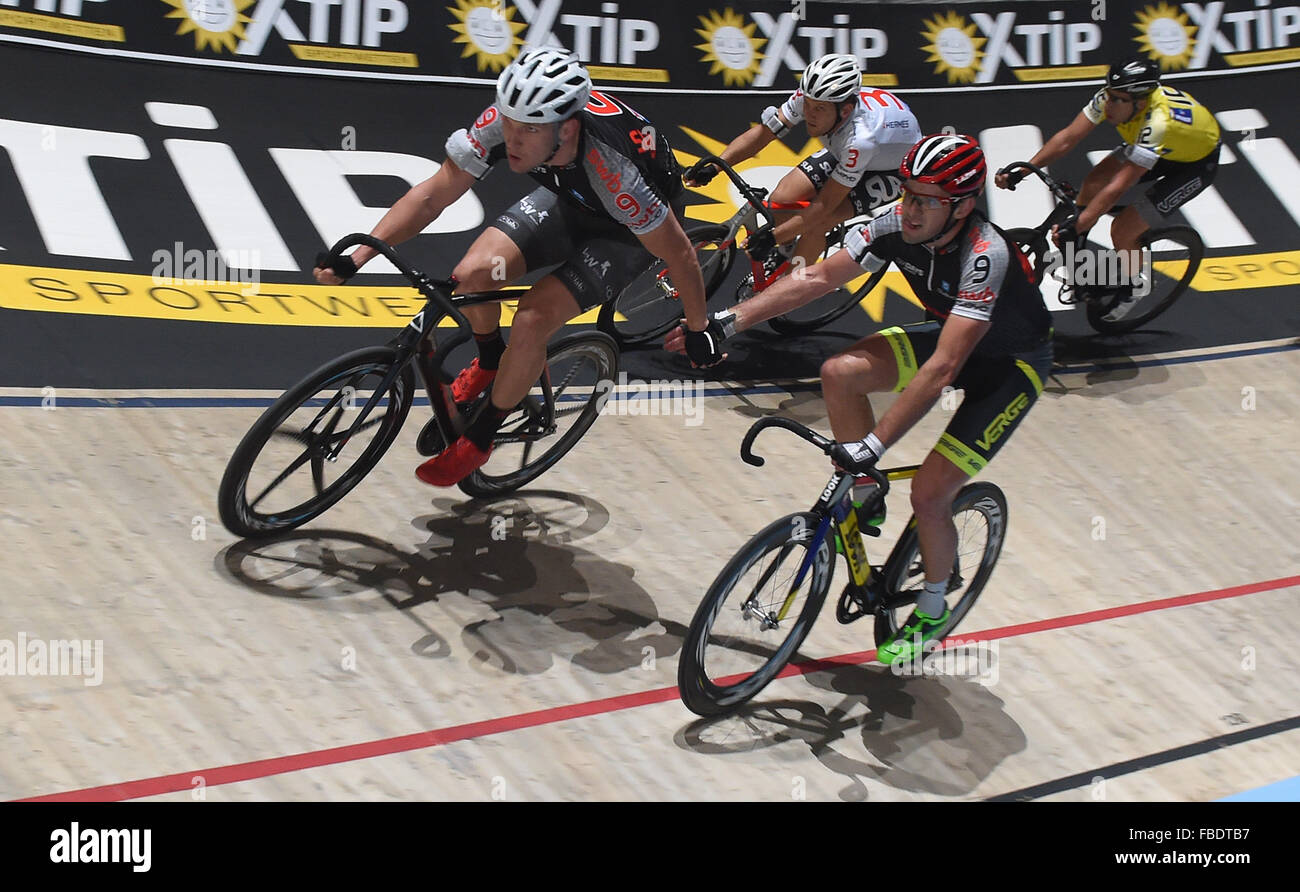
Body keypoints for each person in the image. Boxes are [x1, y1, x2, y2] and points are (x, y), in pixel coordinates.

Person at [670, 134, 1053, 664]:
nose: (911, 209)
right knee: (840, 371)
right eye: (907, 193)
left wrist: (873, 441)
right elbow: (822, 276)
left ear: (963, 206)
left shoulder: (986, 256)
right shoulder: (896, 222)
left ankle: (936, 603)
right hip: (951, 337)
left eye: (928, 200)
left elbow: (943, 367)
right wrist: (728, 322)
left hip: (1009, 370)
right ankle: (868, 489)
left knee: (929, 494)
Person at [314, 48, 723, 486]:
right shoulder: (506, 121)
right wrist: (358, 255)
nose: (512, 138)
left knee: (532, 319)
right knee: (473, 273)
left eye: (528, 129)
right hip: (574, 199)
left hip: (630, 230)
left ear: (566, 128)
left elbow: (679, 255)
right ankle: (492, 360)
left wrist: (698, 329)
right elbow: (433, 195)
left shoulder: (614, 173)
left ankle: (481, 437)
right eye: (509, 121)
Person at [994, 57, 1221, 321]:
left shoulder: (1158, 122)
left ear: (1140, 101)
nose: (1108, 104)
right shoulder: (1112, 97)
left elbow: (1119, 186)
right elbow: (1068, 138)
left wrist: (1079, 222)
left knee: (1123, 229)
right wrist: (1023, 170)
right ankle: (1077, 258)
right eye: (1109, 95)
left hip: (1194, 165)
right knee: (1092, 183)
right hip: (1154, 148)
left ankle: (1135, 285)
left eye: (1117, 100)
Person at [681, 53, 920, 286]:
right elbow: (763, 134)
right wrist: (714, 166)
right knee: (781, 198)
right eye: (807, 105)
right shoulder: (813, 96)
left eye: (819, 109)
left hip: (891, 169)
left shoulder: (860, 140)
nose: (809, 114)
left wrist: (773, 238)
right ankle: (787, 254)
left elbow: (823, 206)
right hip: (846, 149)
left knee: (820, 222)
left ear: (844, 111)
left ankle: (789, 290)